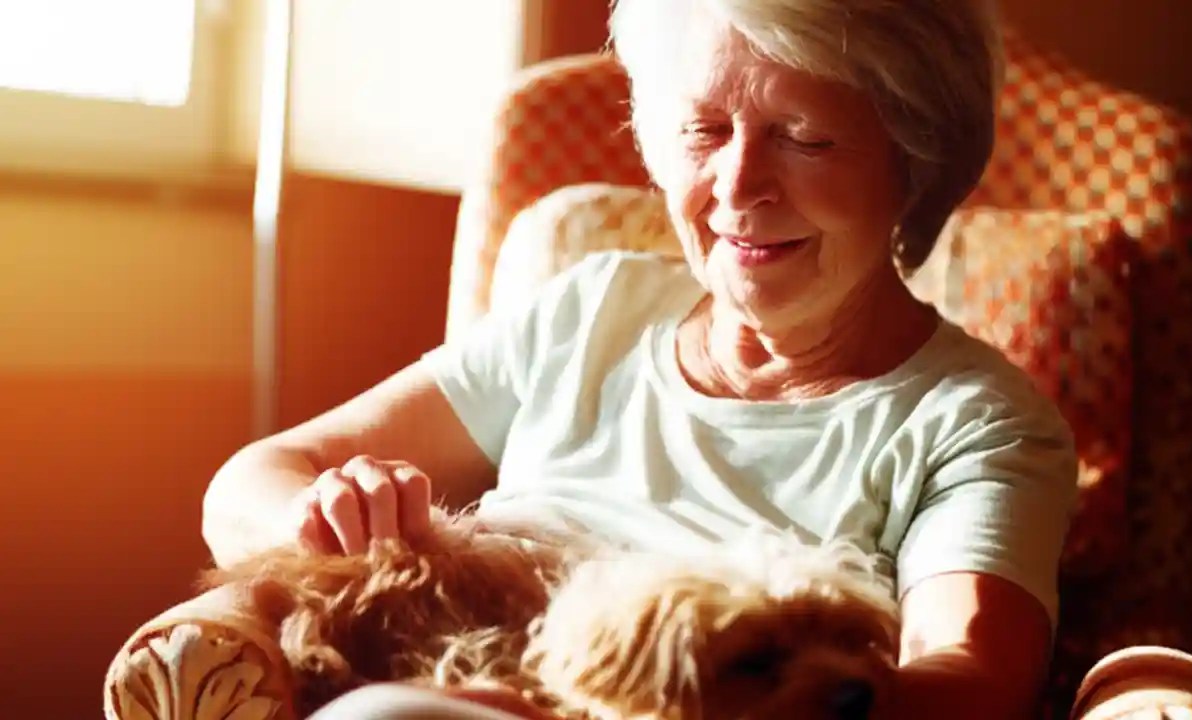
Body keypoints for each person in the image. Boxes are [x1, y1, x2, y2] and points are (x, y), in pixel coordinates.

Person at [202, 0, 1077, 718]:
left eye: (804, 137)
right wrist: (325, 524)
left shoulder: (976, 424)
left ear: (912, 161)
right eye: (703, 130)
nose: (737, 187)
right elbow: (251, 481)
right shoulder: (596, 309)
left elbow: (969, 687)